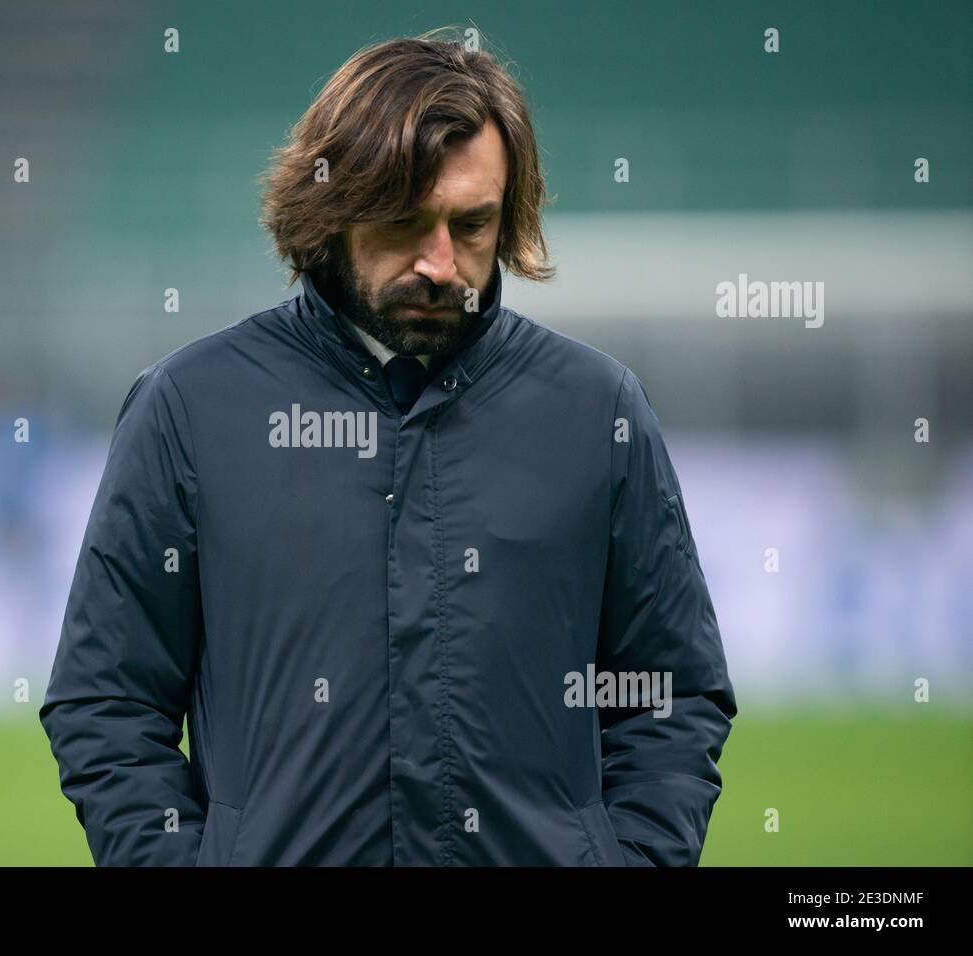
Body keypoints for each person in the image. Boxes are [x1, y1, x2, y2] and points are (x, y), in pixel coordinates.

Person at [39, 30, 737, 866]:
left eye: (472, 225)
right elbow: (106, 700)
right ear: (330, 210)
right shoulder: (190, 410)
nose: (441, 264)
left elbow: (670, 693)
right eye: (406, 223)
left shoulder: (598, 412)